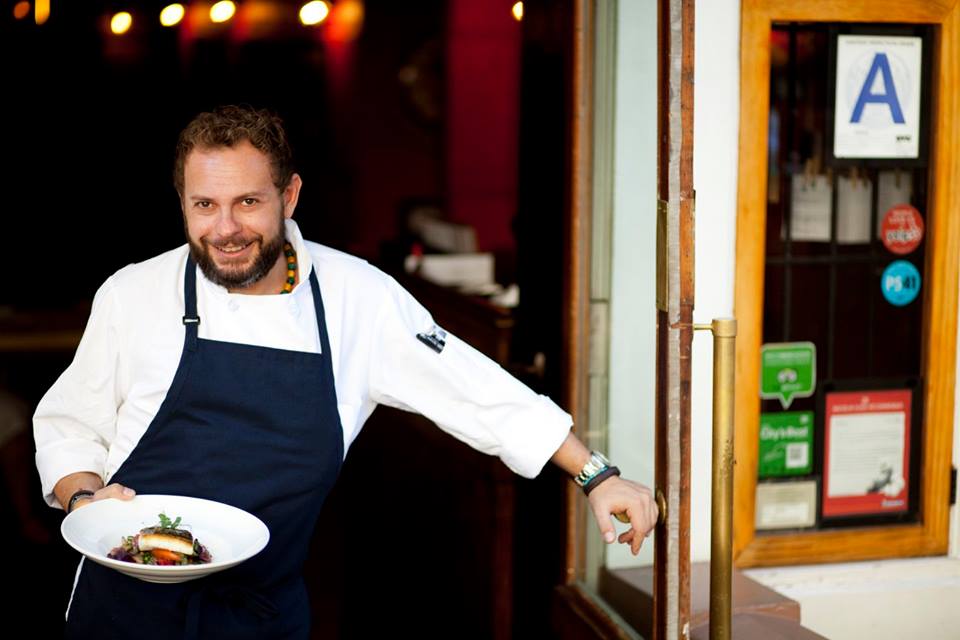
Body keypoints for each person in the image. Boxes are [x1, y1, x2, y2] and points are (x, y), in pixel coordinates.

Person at [33, 104, 658, 639]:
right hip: (121, 609)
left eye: (247, 202)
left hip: (262, 613)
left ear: (290, 195)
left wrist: (597, 476)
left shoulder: (357, 298)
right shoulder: (134, 293)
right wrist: (88, 499)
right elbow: (68, 424)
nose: (225, 229)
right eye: (205, 205)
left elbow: (475, 389)